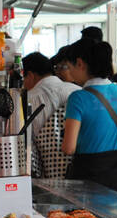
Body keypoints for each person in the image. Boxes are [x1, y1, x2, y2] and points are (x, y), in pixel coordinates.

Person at [61, 41, 117, 194]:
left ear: (80, 63)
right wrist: (115, 141)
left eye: (69, 67)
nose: (69, 73)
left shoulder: (78, 98)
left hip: (89, 179)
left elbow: (68, 147)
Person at [23, 51, 78, 179]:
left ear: (30, 75)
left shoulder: (27, 99)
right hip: (78, 168)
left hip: (45, 174)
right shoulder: (77, 91)